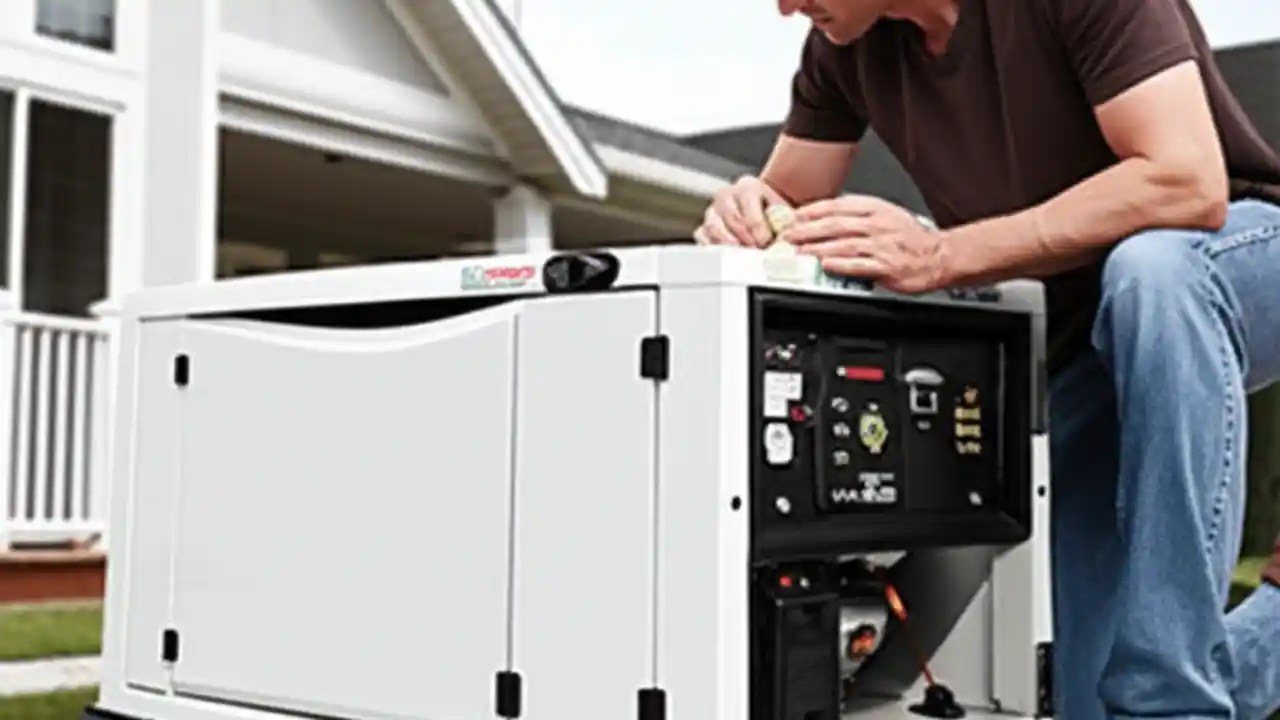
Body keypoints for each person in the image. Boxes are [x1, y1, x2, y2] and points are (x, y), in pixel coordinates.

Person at [695, 0, 1280, 717]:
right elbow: (783, 203)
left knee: (1151, 272)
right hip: (1078, 340)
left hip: (1236, 259)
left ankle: (1174, 699)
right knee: (1083, 693)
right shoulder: (844, 46)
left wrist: (942, 254)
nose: (783, 6)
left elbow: (1185, 182)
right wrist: (747, 213)